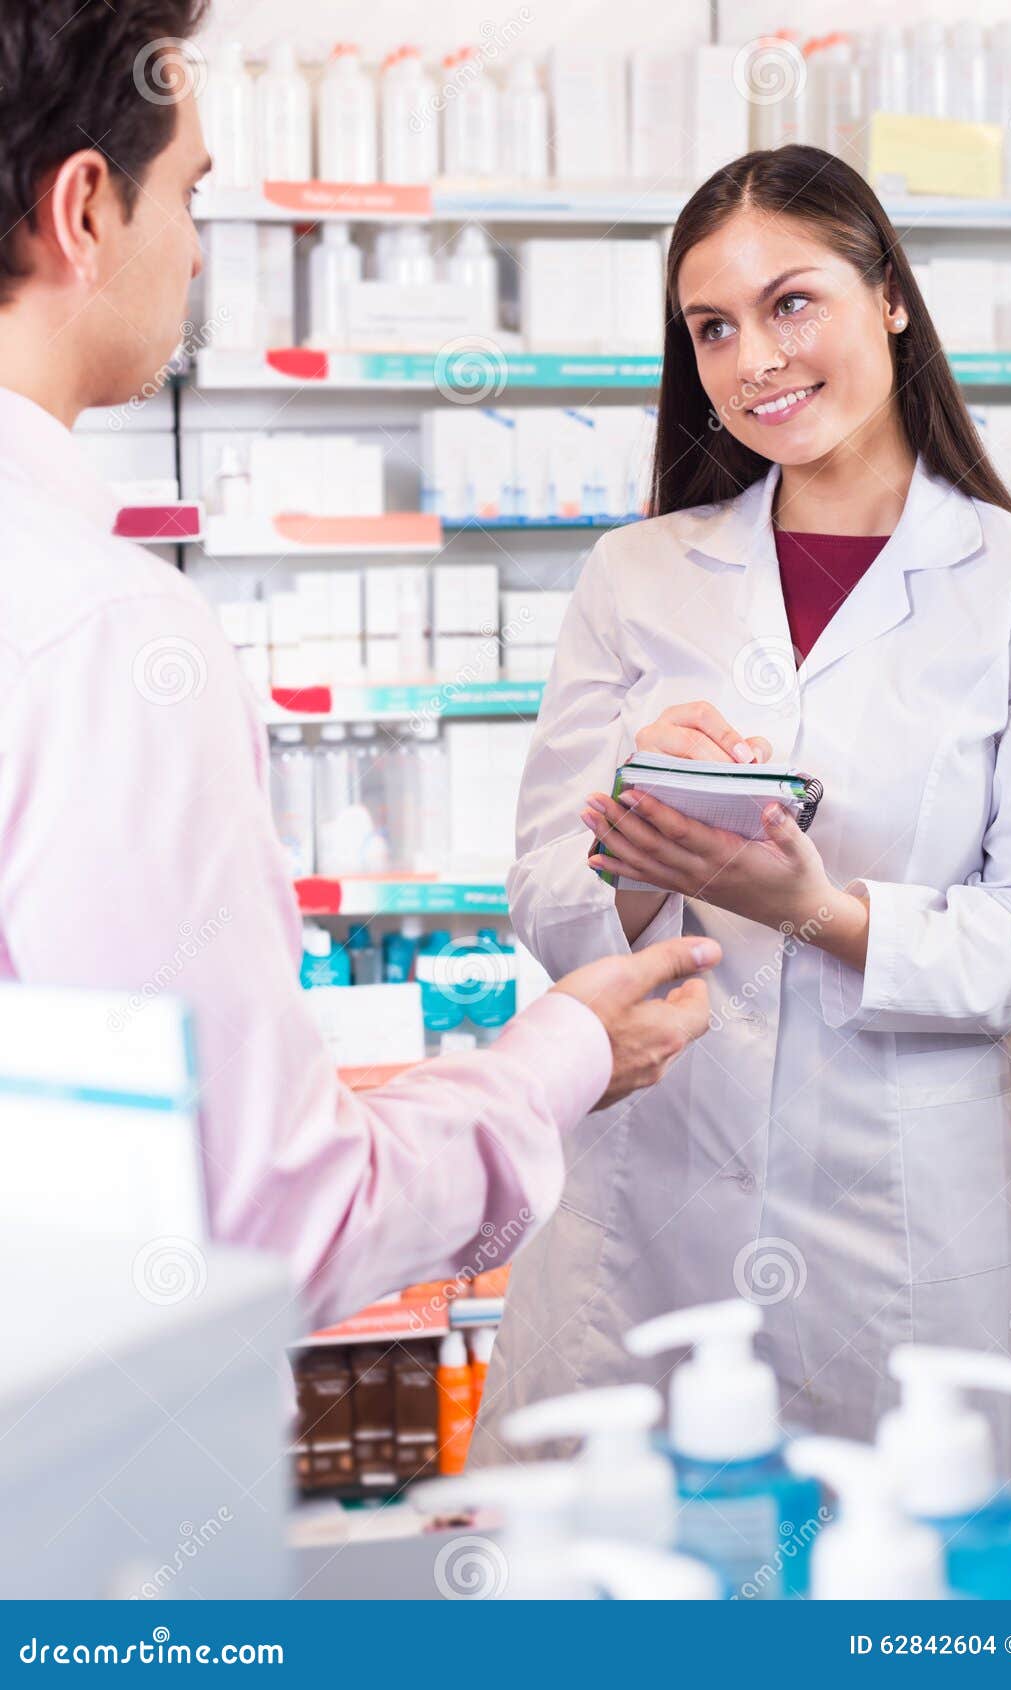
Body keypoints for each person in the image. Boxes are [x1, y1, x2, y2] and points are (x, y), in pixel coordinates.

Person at [0, 0, 719, 1328]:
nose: (198, 252)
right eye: (191, 194)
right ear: (85, 209)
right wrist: (565, 1050)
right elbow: (266, 1225)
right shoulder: (104, 633)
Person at [476, 145, 1011, 1491]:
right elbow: (543, 901)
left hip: (895, 1228)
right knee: (625, 1578)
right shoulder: (634, 573)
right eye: (712, 327)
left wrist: (817, 912)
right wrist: (634, 837)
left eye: (791, 303)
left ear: (888, 295)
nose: (754, 359)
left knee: (895, 1573)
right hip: (644, 1204)